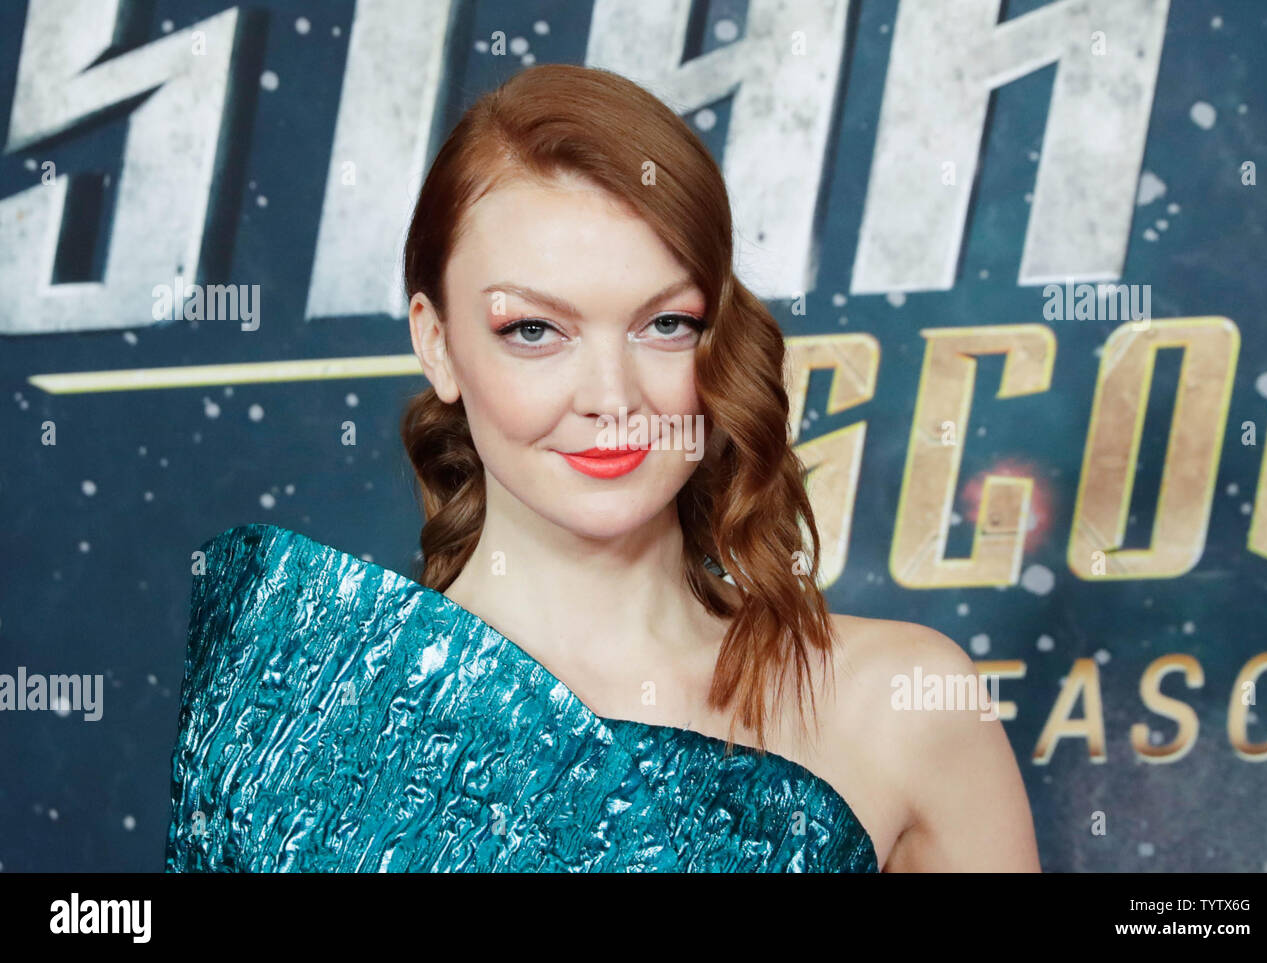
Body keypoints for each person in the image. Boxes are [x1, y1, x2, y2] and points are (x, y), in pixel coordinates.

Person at [166, 63, 1039, 873]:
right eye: (534, 331)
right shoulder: (295, 706)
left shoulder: (903, 706)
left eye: (665, 324)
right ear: (437, 344)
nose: (612, 397)